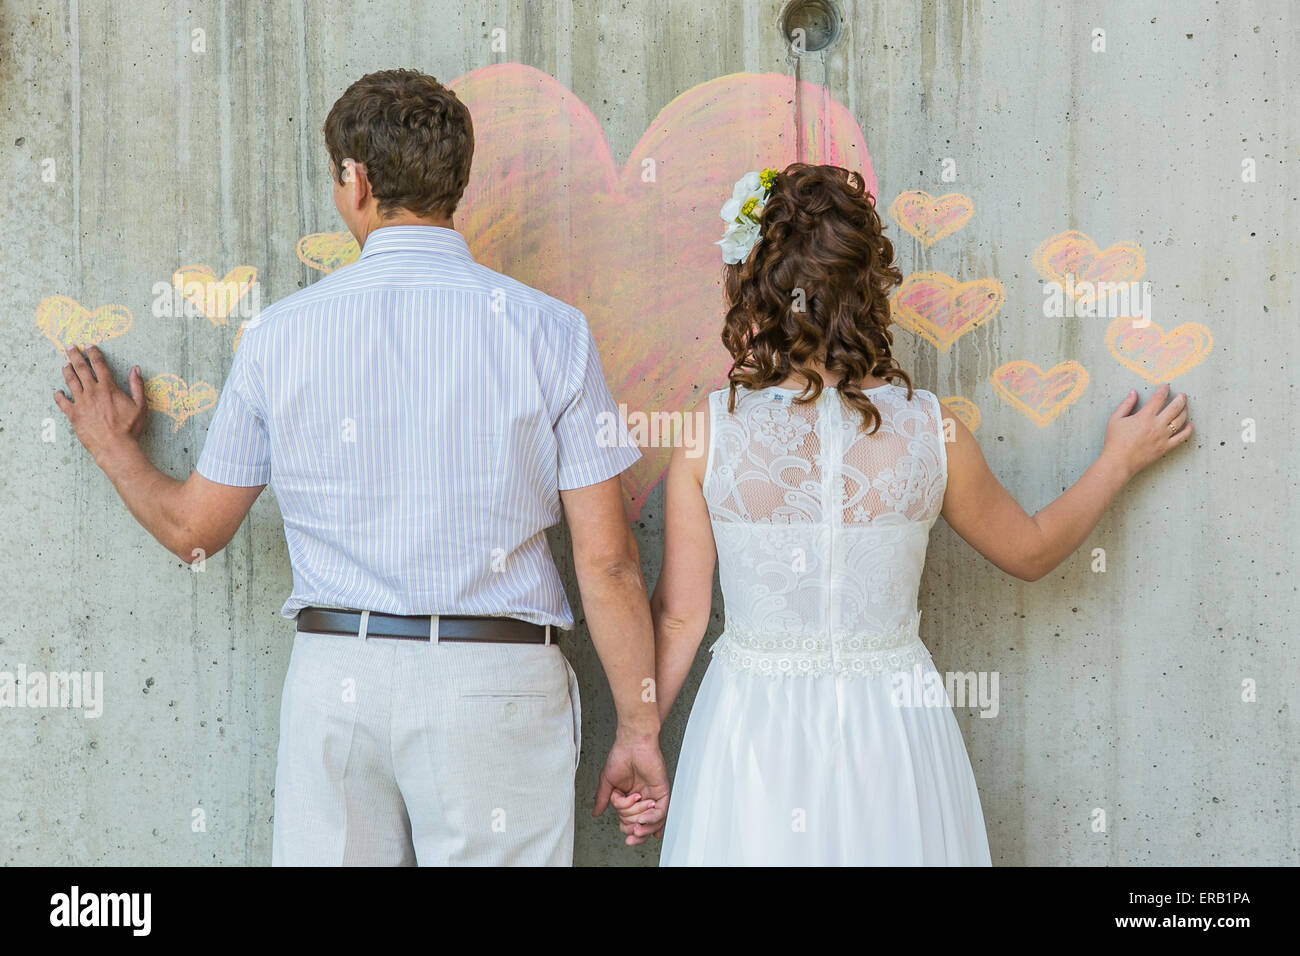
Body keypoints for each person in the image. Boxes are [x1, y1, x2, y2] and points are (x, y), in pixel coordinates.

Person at [52, 68, 669, 866]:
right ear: (456, 181)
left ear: (359, 182)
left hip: (338, 674)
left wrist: (111, 444)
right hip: (498, 683)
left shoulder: (280, 335)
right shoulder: (551, 332)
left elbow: (193, 531)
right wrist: (641, 724)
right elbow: (611, 561)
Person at [625, 163, 1192, 865]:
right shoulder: (932, 431)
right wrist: (1118, 462)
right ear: (867, 288)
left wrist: (639, 735)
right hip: (891, 726)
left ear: (755, 290)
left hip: (752, 727)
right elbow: (1032, 551)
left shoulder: (710, 432)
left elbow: (680, 616)